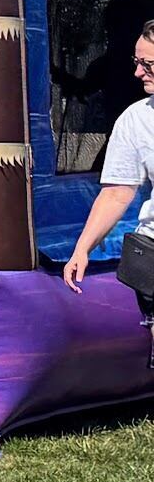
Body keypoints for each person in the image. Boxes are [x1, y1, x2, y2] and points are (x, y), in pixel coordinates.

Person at [60, 23, 154, 321]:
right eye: (137, 62)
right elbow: (116, 193)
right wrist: (82, 248)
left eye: (148, 64)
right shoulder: (135, 120)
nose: (137, 73)